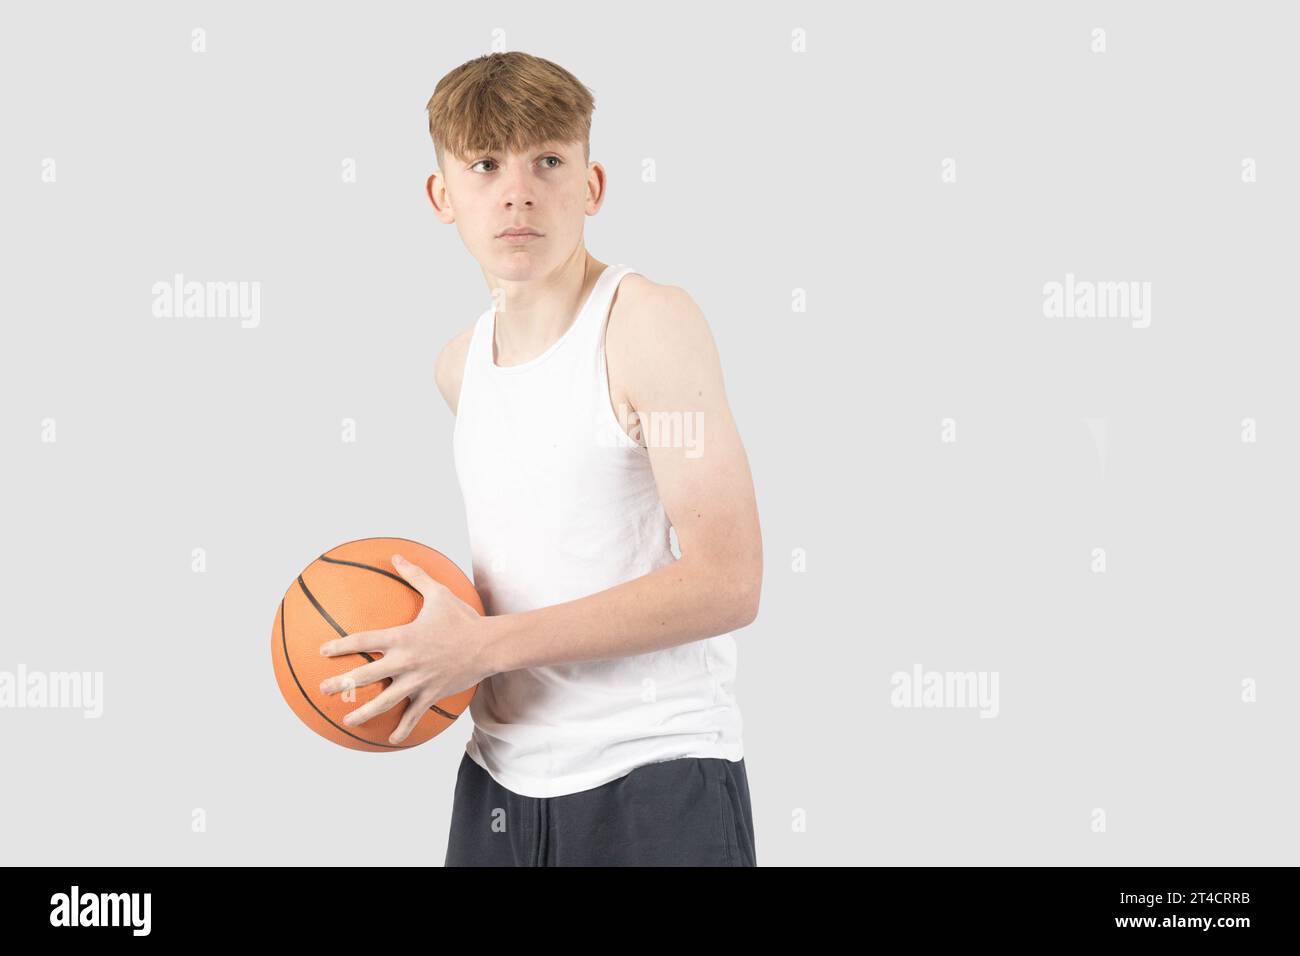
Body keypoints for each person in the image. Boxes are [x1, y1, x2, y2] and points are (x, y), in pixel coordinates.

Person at [331, 50, 763, 866]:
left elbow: (729, 579)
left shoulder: (647, 329)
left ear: (591, 185)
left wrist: (482, 647)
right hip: (499, 779)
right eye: (485, 164)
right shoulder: (460, 367)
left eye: (548, 161)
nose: (517, 190)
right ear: (442, 195)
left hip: (655, 775)